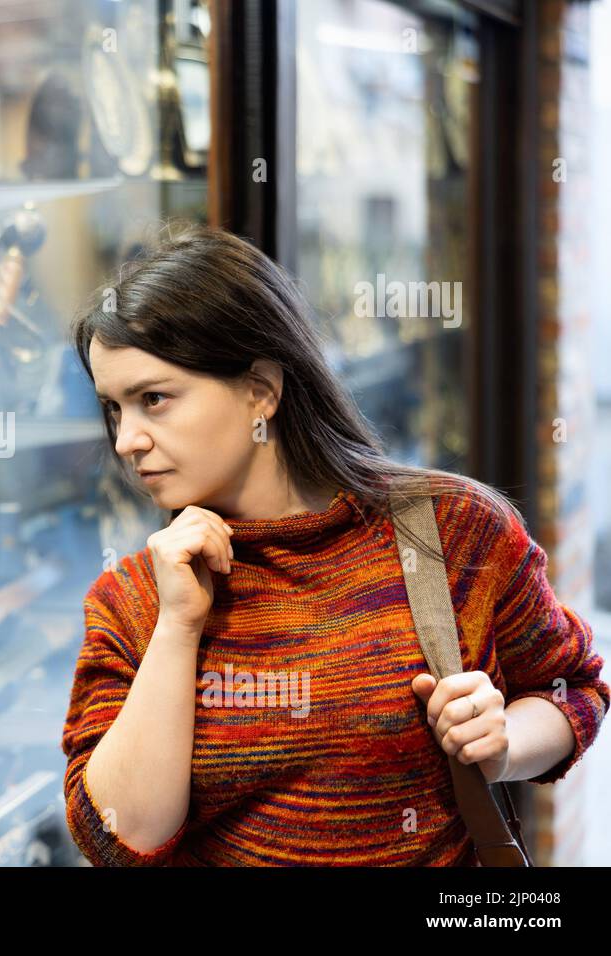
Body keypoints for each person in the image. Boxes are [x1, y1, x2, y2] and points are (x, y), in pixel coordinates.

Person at [61, 222, 608, 865]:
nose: (127, 439)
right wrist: (178, 626)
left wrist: (504, 740)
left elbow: (573, 686)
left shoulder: (451, 530)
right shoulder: (137, 596)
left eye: (154, 399)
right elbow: (120, 839)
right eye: (115, 408)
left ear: (260, 391)